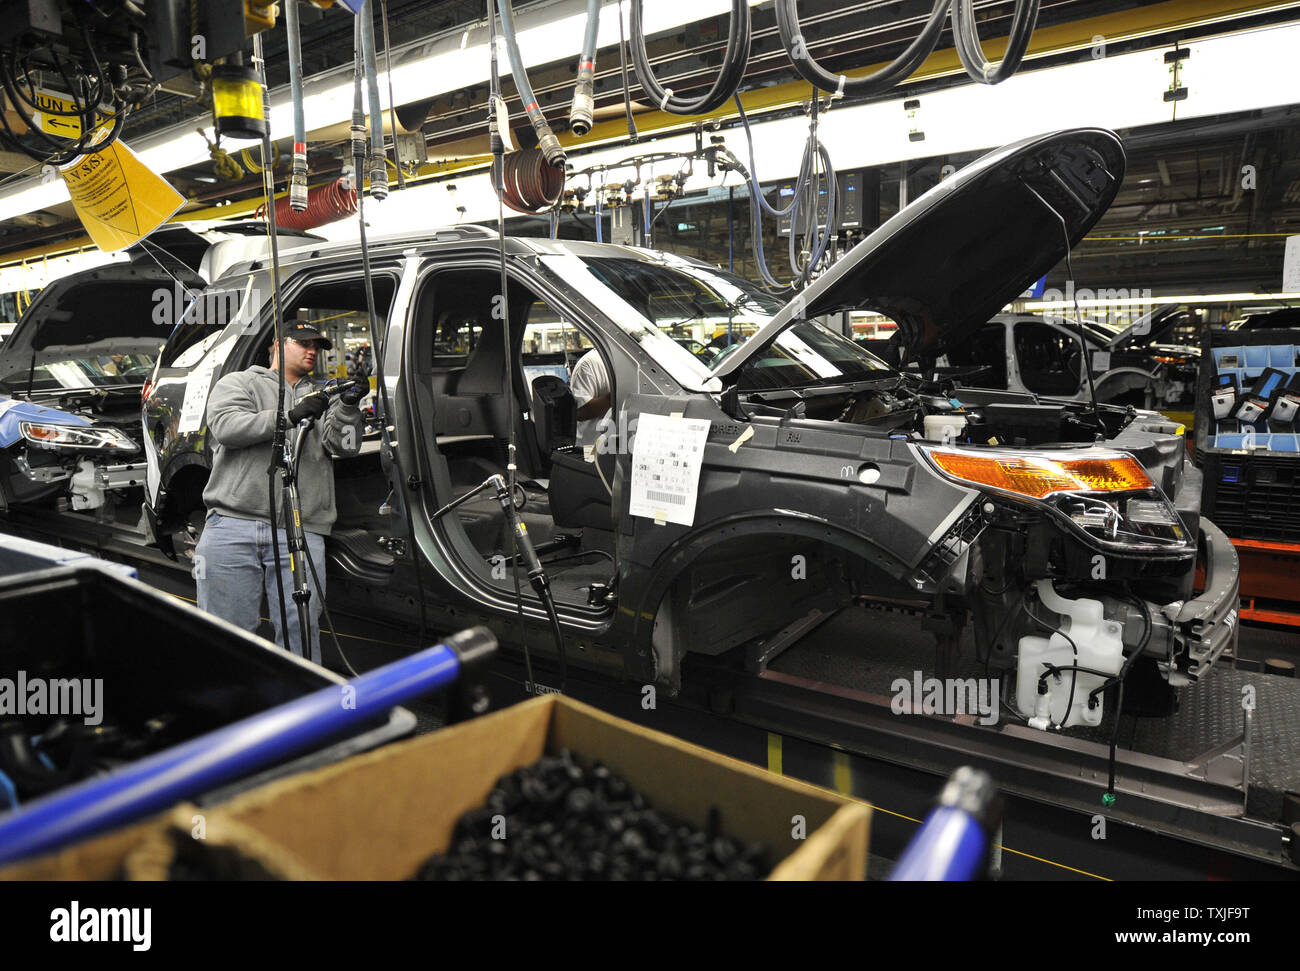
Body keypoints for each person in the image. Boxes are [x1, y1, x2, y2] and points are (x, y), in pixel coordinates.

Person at [194, 321, 367, 665]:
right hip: (232, 525)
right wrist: (287, 417)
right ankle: (234, 713)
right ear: (276, 344)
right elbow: (228, 427)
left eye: (317, 346)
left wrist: (347, 406)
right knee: (226, 635)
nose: (312, 351)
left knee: (299, 632)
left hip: (300, 531)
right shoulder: (239, 382)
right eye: (303, 343)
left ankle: (302, 711)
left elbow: (345, 447)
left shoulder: (324, 396)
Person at [569, 347, 611, 456]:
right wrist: (615, 396)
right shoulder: (588, 364)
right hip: (590, 448)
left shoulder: (628, 362)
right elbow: (581, 412)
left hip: (617, 447)